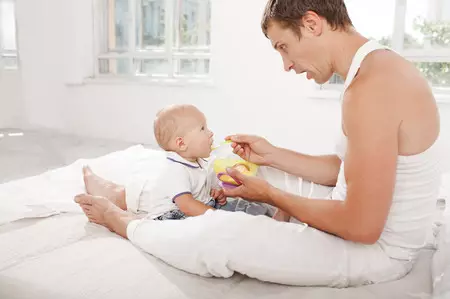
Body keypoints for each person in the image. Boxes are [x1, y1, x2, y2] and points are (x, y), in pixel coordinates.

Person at [75, 0, 443, 287]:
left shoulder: (371, 89)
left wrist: (270, 196)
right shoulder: (376, 69)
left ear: (312, 24)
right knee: (251, 171)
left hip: (378, 253)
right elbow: (349, 171)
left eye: (283, 46)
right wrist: (273, 155)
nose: (286, 65)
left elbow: (363, 227)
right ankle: (134, 193)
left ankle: (125, 221)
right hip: (361, 216)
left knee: (225, 234)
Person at [78, 104, 268, 222]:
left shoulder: (201, 161)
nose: (211, 133)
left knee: (239, 208)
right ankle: (92, 179)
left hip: (188, 205)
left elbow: (200, 188)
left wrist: (215, 194)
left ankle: (267, 217)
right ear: (181, 143)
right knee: (119, 196)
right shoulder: (176, 170)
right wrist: (216, 215)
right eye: (203, 129)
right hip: (163, 207)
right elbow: (186, 205)